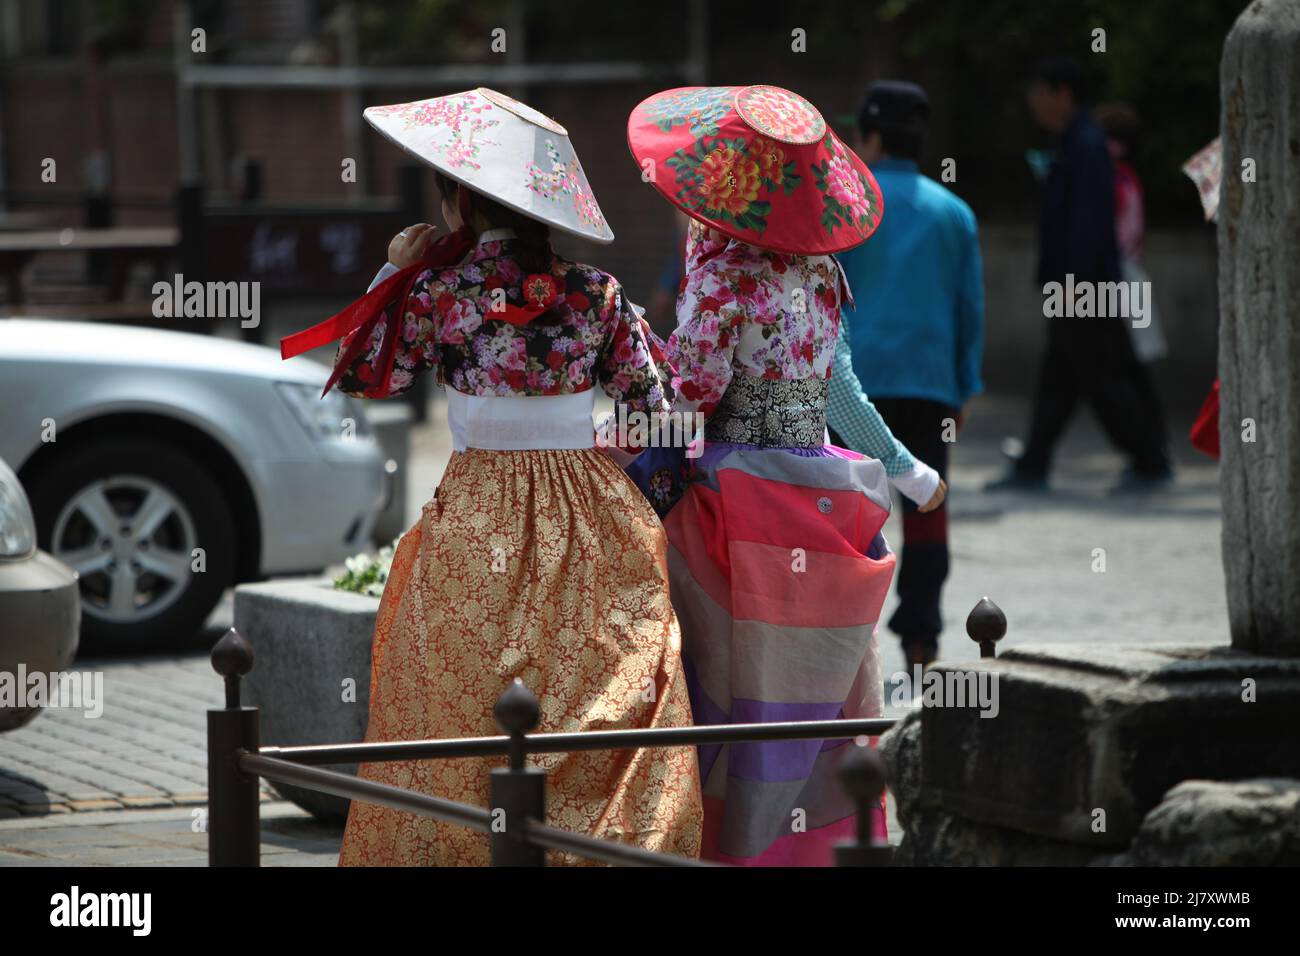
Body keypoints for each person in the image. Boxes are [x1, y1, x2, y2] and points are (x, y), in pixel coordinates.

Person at [281, 87, 702, 866]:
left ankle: (471, 847)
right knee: (597, 681)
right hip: (590, 505)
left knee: (468, 684)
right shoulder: (599, 292)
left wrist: (390, 271)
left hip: (479, 507)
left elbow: (376, 377)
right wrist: (618, 465)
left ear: (459, 204)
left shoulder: (438, 293)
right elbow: (660, 407)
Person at [625, 84, 899, 866]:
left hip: (738, 494)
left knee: (729, 684)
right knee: (822, 684)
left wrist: (620, 423)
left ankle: (730, 845)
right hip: (820, 486)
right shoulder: (823, 275)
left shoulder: (723, 277)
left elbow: (691, 396)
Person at [835, 80, 984, 667]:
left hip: (851, 390)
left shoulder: (846, 209)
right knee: (927, 510)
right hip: (930, 385)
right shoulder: (956, 213)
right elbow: (970, 308)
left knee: (846, 514)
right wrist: (964, 385)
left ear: (870, 137)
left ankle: (845, 637)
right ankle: (921, 636)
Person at [988, 58, 1171, 493]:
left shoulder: (1085, 145)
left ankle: (1149, 460)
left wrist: (1073, 291)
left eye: (1040, 91)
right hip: (1078, 286)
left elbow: (1088, 225)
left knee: (1102, 377)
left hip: (1084, 288)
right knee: (1065, 377)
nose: (1034, 101)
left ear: (1063, 94)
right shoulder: (1075, 142)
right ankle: (1037, 462)